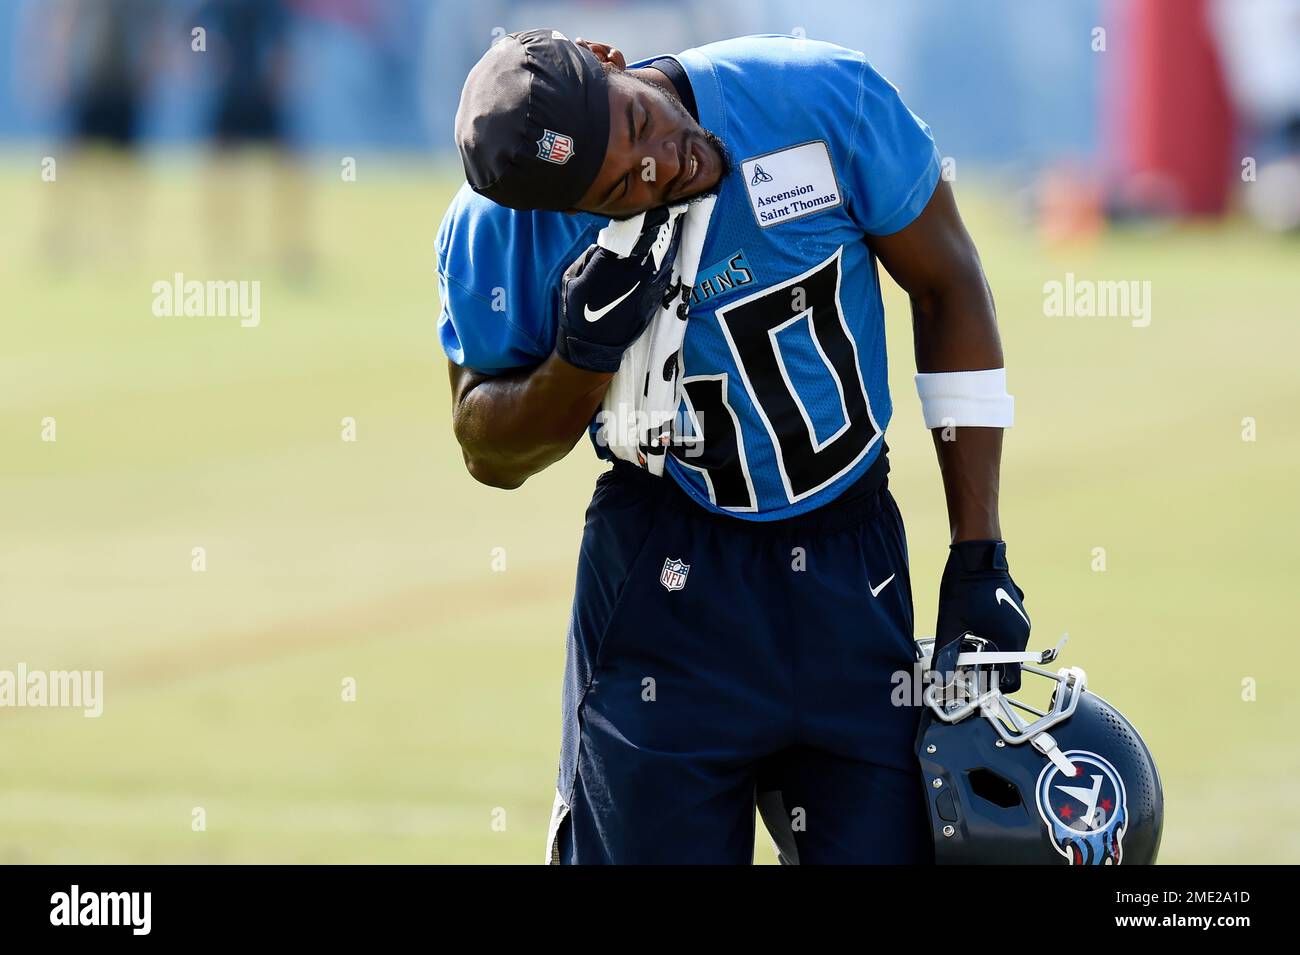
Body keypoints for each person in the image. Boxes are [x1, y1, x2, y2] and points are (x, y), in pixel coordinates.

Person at [437, 29, 1030, 864]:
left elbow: (947, 282)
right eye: (619, 187)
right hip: (663, 576)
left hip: (850, 568)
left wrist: (980, 556)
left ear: (610, 57)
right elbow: (486, 449)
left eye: (640, 124)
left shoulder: (814, 97)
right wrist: (578, 360)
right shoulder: (501, 232)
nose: (662, 166)